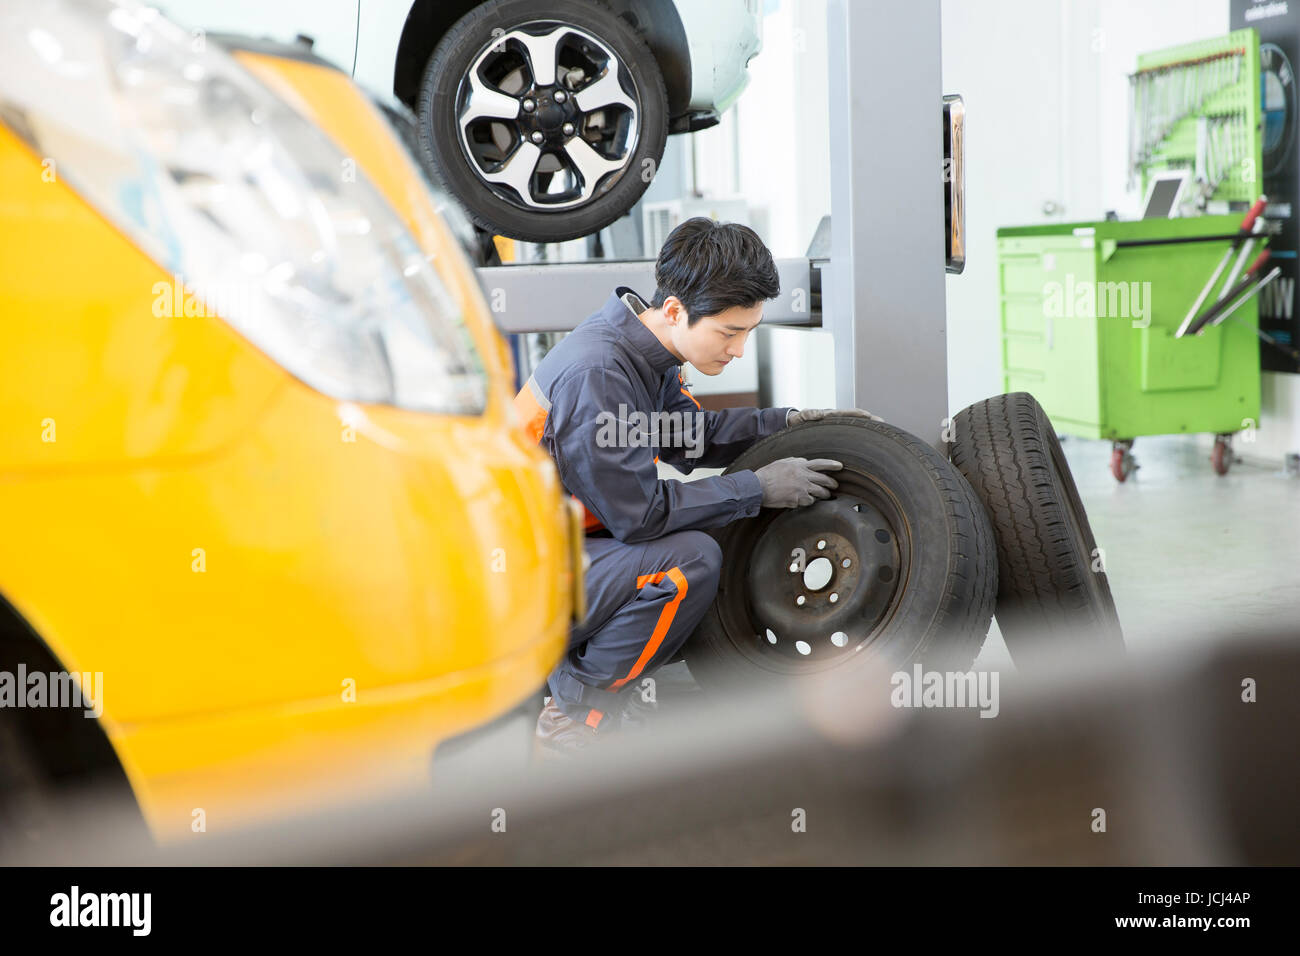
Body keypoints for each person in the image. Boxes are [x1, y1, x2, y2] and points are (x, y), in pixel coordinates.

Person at [513, 218, 876, 754]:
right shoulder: (600, 373)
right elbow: (637, 516)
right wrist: (756, 487)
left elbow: (687, 436)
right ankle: (573, 709)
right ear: (677, 310)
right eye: (728, 333)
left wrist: (787, 423)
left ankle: (576, 675)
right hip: (519, 579)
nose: (737, 351)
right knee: (691, 561)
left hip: (568, 548)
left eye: (748, 332)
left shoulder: (646, 351)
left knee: (700, 539)